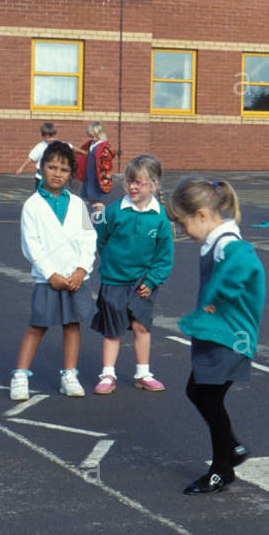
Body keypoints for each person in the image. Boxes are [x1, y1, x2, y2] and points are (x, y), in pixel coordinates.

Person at [168, 177, 265, 495]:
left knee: (206, 395)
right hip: (221, 333)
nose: (183, 232)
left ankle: (221, 469)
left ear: (201, 215)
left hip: (231, 336)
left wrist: (217, 293)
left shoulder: (227, 243)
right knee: (201, 393)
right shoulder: (215, 239)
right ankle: (231, 450)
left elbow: (246, 262)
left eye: (183, 224)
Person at [9, 141, 97, 402]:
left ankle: (69, 375)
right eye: (52, 167)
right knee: (38, 326)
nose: (57, 173)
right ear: (41, 168)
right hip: (48, 280)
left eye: (64, 169)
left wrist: (82, 270)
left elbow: (88, 238)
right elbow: (32, 246)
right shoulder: (32, 206)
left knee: (72, 326)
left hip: (75, 279)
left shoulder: (78, 204)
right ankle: (21, 375)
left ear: (71, 173)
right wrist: (50, 274)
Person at [91, 154, 174, 395]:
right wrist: (110, 265)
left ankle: (143, 373)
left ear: (155, 184)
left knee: (141, 327)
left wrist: (152, 280)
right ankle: (107, 374)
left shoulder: (160, 217)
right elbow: (100, 238)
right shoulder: (115, 211)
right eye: (129, 181)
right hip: (114, 280)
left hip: (143, 282)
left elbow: (164, 255)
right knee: (113, 329)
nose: (133, 187)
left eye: (140, 182)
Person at [14, 121, 66, 186]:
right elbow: (31, 158)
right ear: (43, 136)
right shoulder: (40, 146)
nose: (51, 139)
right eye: (48, 137)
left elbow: (71, 147)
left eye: (53, 137)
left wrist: (82, 152)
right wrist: (21, 168)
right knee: (41, 194)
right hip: (41, 176)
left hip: (53, 176)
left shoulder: (59, 144)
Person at [77, 121, 114, 208]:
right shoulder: (92, 144)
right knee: (90, 198)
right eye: (91, 136)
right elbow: (85, 153)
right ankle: (94, 217)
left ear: (100, 134)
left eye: (94, 136)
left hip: (97, 177)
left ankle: (100, 218)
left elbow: (106, 164)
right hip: (90, 175)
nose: (92, 138)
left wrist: (104, 178)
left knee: (98, 199)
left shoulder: (103, 146)